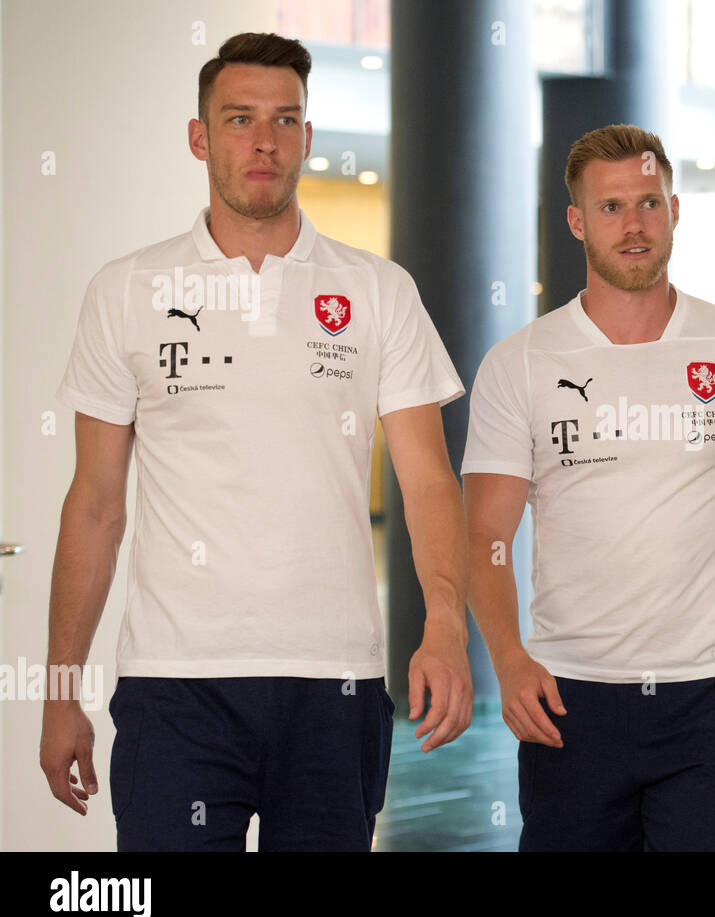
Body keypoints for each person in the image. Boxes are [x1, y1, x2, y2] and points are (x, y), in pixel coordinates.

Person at [40, 32, 472, 851]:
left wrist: (446, 627)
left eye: (285, 119)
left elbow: (428, 482)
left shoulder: (378, 291)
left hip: (335, 684)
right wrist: (62, 687)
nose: (264, 141)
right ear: (200, 137)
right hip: (174, 688)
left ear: (308, 137)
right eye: (239, 119)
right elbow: (94, 505)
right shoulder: (126, 290)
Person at [462, 124, 715, 851]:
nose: (634, 225)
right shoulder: (522, 363)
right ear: (577, 221)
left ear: (674, 209)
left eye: (649, 202)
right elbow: (485, 535)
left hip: (707, 696)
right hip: (570, 696)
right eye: (610, 208)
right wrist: (507, 656)